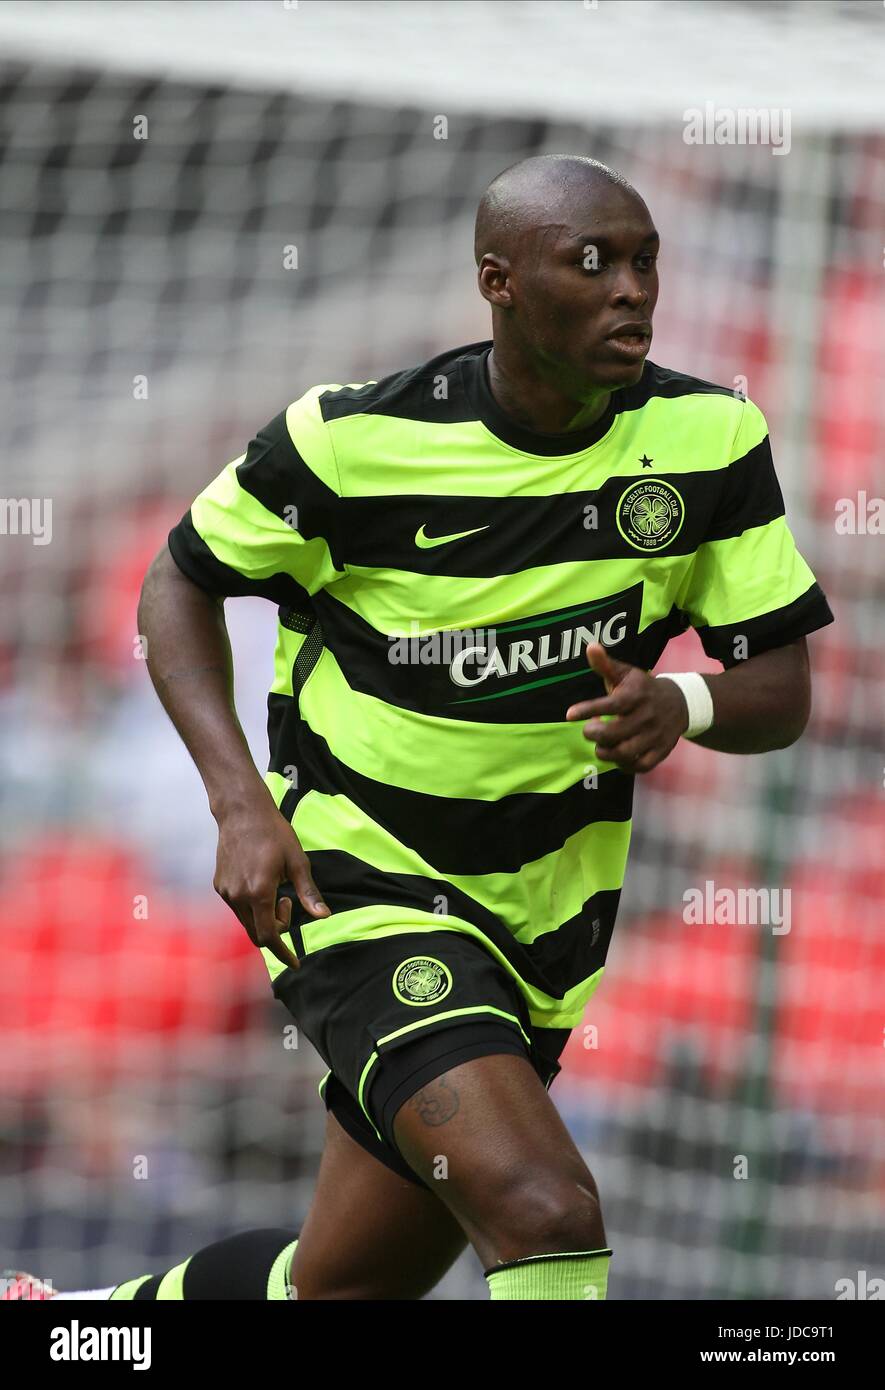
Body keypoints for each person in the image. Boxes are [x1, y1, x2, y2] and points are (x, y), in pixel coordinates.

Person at [17, 155, 832, 1302]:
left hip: (543, 921)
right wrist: (240, 801)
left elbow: (780, 691)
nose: (632, 290)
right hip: (355, 880)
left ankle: (85, 1325)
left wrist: (680, 700)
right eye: (592, 263)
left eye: (646, 261)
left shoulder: (708, 443)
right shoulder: (355, 440)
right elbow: (179, 583)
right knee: (548, 1214)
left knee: (341, 1287)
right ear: (498, 282)